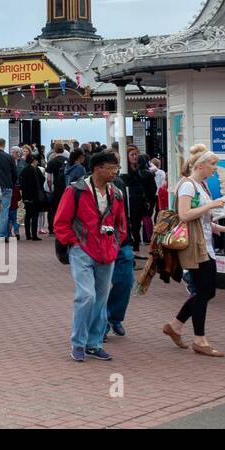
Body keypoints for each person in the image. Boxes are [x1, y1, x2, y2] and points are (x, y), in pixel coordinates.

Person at [161, 148, 225, 357]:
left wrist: (224, 228)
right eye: (212, 164)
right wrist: (211, 204)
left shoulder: (201, 186)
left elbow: (204, 221)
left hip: (204, 244)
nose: (214, 168)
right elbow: (184, 215)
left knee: (206, 291)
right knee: (204, 291)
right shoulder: (187, 185)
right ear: (199, 165)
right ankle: (199, 340)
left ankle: (175, 326)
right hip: (194, 246)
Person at [54, 150, 126, 362]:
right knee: (87, 296)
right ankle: (78, 342)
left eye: (116, 168)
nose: (115, 172)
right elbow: (60, 222)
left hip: (107, 251)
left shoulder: (117, 194)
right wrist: (74, 242)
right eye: (112, 168)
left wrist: (116, 241)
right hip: (82, 250)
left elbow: (121, 222)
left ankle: (93, 344)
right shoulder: (76, 191)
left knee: (101, 300)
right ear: (98, 168)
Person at [19, 154, 46, 240]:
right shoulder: (36, 170)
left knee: (28, 215)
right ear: (34, 160)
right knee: (35, 215)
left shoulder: (24, 170)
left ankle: (28, 234)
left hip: (26, 195)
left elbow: (21, 183)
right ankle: (34, 235)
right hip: (35, 196)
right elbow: (42, 180)